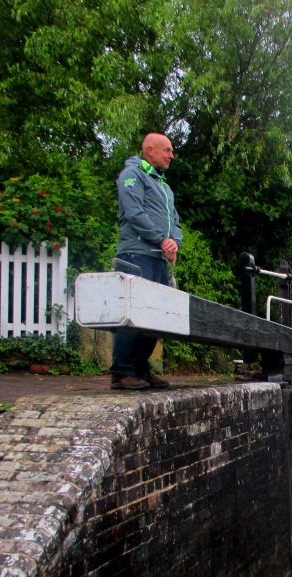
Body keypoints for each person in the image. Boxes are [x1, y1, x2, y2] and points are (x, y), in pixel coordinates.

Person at [109, 133, 182, 390]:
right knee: (133, 315)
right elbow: (134, 213)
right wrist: (162, 240)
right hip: (136, 255)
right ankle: (122, 371)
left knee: (154, 318)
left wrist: (174, 241)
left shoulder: (163, 186)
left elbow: (175, 220)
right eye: (167, 150)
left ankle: (140, 368)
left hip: (159, 259)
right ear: (149, 150)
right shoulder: (132, 175)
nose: (171, 155)